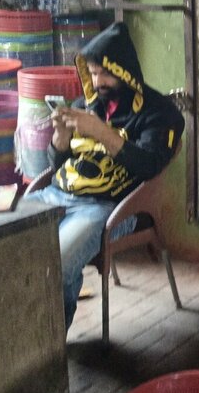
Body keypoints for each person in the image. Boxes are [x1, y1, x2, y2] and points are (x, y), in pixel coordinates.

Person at [27, 21, 184, 332]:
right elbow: (56, 164)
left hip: (110, 207)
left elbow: (150, 166)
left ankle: (48, 342)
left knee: (55, 262)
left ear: (124, 70)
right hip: (55, 194)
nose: (98, 81)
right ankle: (29, 334)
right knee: (3, 242)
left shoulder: (159, 113)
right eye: (94, 73)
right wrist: (59, 137)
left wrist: (101, 132)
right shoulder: (84, 106)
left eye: (106, 73)